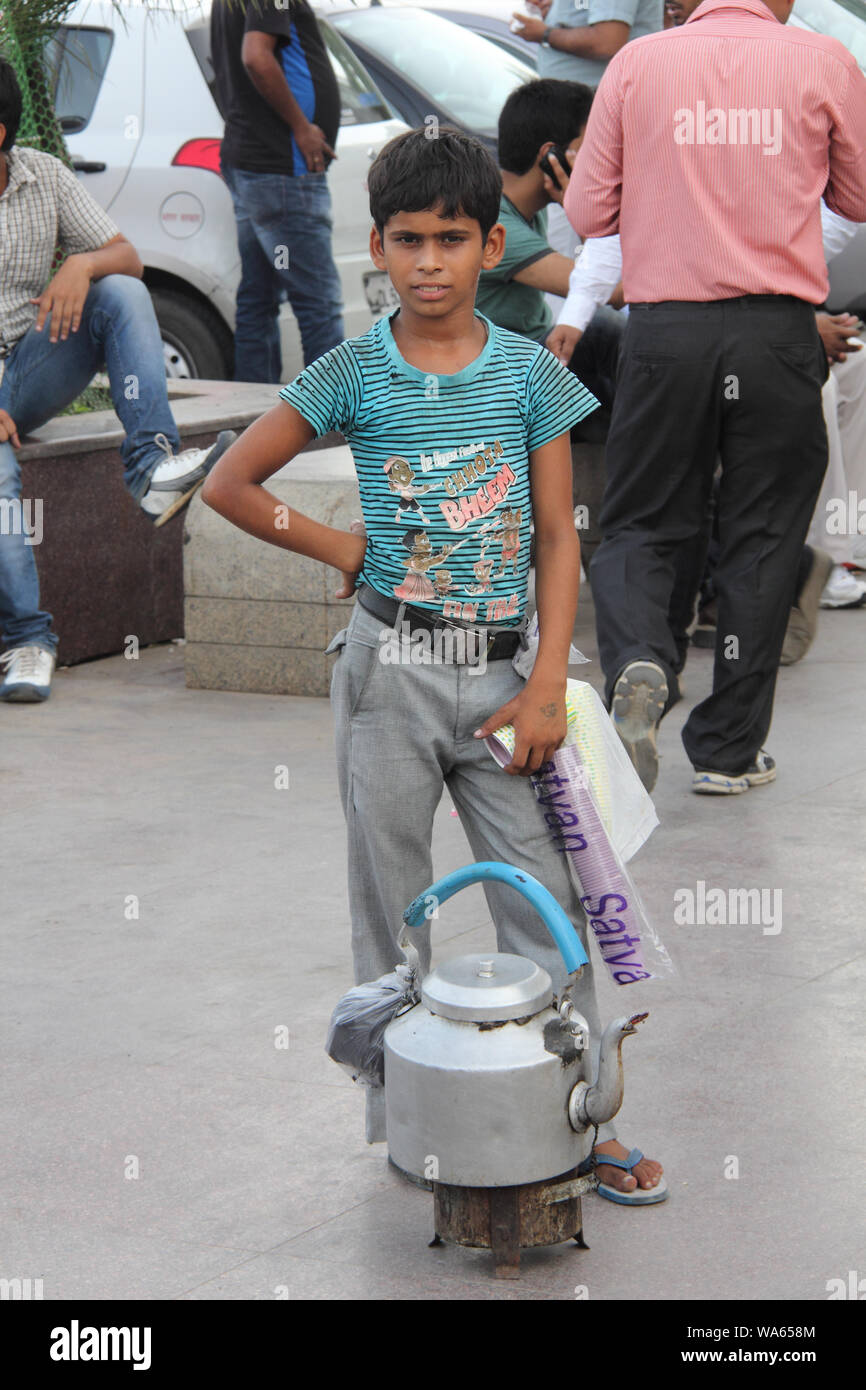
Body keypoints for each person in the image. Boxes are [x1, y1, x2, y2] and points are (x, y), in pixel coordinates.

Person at [202, 127, 666, 1203]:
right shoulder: (351, 369)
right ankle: (412, 1119)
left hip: (506, 682)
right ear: (375, 246)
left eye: (449, 239)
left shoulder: (527, 377)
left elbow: (559, 537)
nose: (426, 262)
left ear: (487, 244)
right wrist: (339, 544)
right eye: (405, 240)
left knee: (546, 901)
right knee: (392, 906)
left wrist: (547, 682)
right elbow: (231, 482)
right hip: (388, 672)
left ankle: (579, 1116)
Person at [565, 0, 866, 795]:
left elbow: (590, 212)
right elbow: (860, 197)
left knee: (641, 525)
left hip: (664, 338)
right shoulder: (823, 60)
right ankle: (729, 750)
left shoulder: (638, 63)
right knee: (762, 538)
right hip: (777, 337)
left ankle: (638, 662)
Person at [0, 57, 234, 704]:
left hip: (25, 367)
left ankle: (149, 470)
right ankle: (27, 640)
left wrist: (81, 263)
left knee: (122, 290)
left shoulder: (40, 176)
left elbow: (125, 254)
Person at [210, 0, 345, 382]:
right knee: (319, 304)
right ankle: (334, 422)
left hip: (254, 164)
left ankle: (255, 418)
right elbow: (255, 56)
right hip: (283, 171)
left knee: (259, 299)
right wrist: (302, 127)